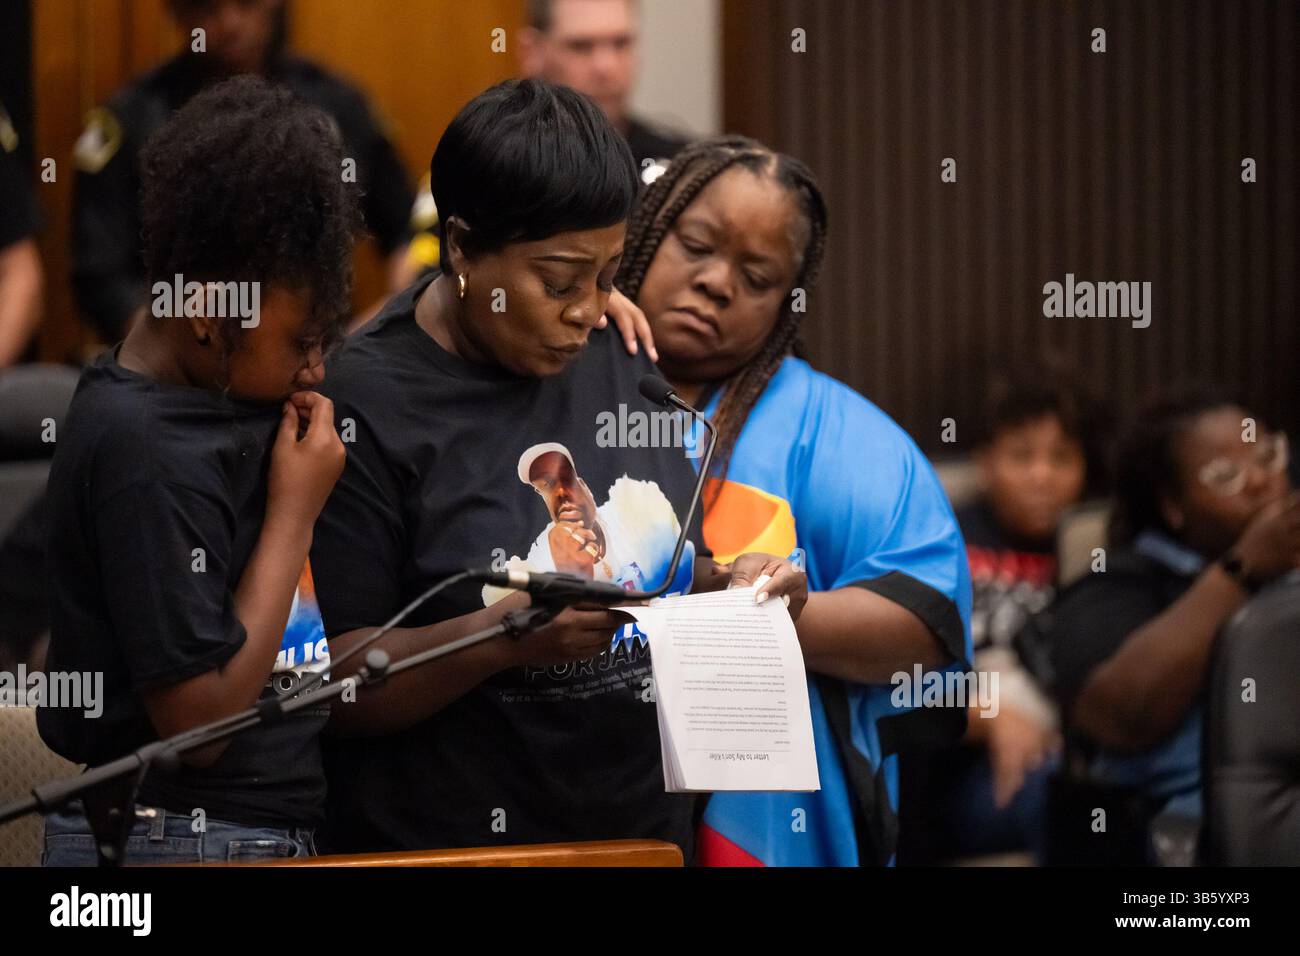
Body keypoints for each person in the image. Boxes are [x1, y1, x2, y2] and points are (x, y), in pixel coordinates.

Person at [309, 80, 805, 857]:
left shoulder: (621, 351)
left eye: (609, 275)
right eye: (560, 280)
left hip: (637, 842)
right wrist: (501, 636)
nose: (588, 309)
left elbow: (653, 574)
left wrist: (740, 585)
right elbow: (338, 684)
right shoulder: (367, 402)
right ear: (464, 247)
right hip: (457, 847)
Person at [615, 135, 973, 865]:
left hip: (753, 825)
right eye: (697, 245)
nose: (717, 284)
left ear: (787, 302)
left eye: (757, 276)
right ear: (647, 228)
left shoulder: (833, 431)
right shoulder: (546, 387)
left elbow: (926, 622)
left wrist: (776, 617)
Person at [38, 76, 357, 865]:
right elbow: (201, 722)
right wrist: (293, 514)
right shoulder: (144, 452)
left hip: (233, 829)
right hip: (177, 838)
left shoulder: (219, 381)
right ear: (210, 316)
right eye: (301, 345)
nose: (317, 370)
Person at [1032, 388, 1299, 861]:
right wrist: (1244, 569)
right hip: (1190, 835)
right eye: (1227, 476)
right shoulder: (1118, 584)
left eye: (1268, 456)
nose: (1262, 481)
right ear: (1173, 504)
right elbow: (1117, 716)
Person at [72, 0, 411, 344]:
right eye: (208, 7)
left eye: (245, 2)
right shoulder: (133, 119)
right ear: (176, 11)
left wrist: (366, 336)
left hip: (322, 354)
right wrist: (188, 346)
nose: (229, 22)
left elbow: (407, 231)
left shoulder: (336, 103)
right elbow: (103, 280)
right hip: (187, 359)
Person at [899, 364, 1110, 864]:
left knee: (1088, 795)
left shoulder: (1096, 550)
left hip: (1066, 755)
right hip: (956, 771)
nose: (1042, 475)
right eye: (1021, 456)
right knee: (1058, 798)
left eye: (1061, 458)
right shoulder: (942, 537)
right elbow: (892, 679)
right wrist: (990, 721)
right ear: (985, 462)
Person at [403, 0, 690, 282]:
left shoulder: (679, 164)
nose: (606, 66)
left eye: (621, 43)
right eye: (581, 46)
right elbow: (419, 282)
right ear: (532, 52)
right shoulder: (481, 161)